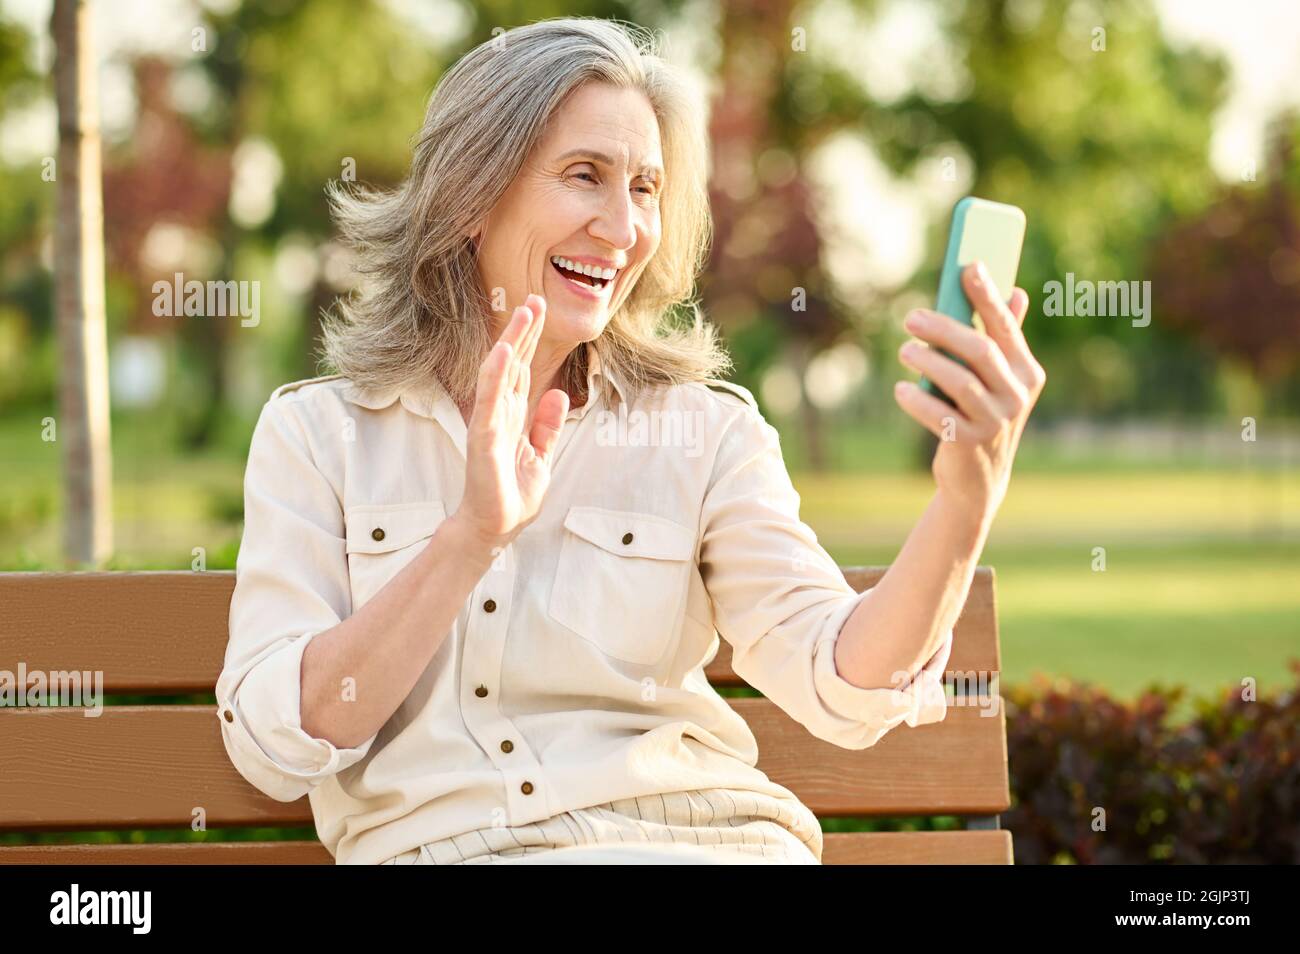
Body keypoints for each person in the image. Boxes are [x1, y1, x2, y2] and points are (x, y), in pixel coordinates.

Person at [216, 17, 1045, 865]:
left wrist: (964, 504)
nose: (622, 230)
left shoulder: (704, 432)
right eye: (585, 177)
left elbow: (841, 679)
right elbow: (280, 743)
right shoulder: (322, 435)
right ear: (470, 197)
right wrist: (468, 539)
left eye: (645, 188)